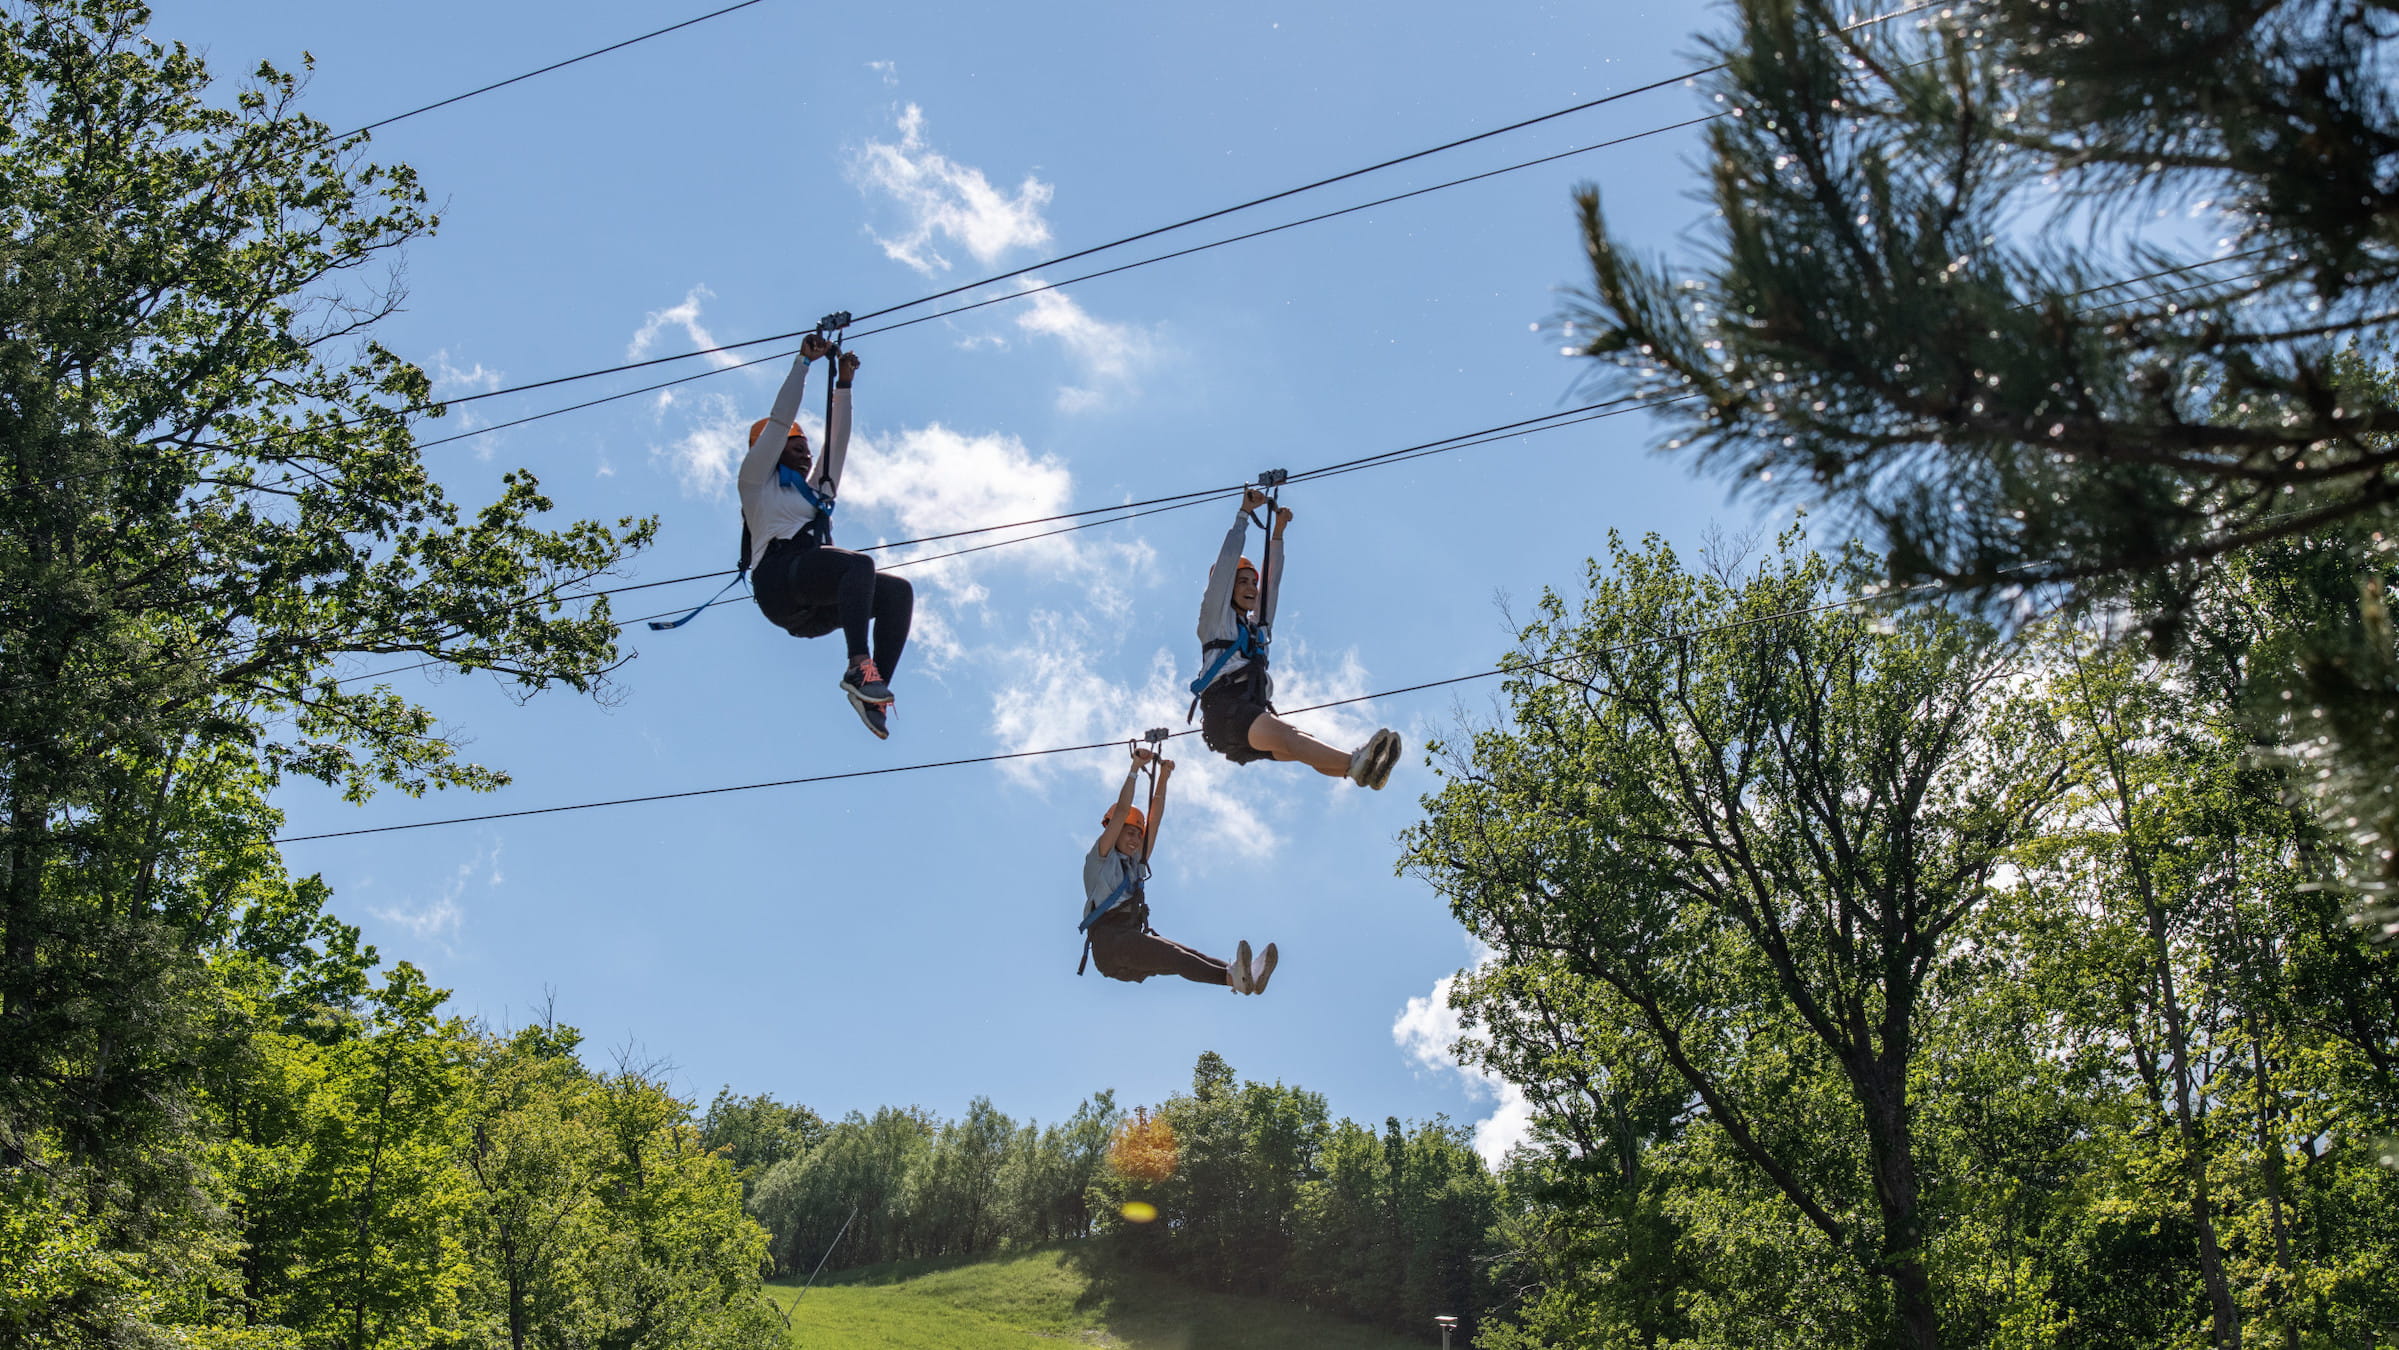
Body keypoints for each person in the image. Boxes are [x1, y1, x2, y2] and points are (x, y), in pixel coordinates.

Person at [739, 334, 912, 739]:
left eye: (806, 448)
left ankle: (871, 693)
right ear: (774, 452)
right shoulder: (756, 484)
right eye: (796, 448)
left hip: (812, 609)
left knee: (897, 592)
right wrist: (803, 364)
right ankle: (858, 664)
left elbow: (838, 442)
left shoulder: (818, 492)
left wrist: (844, 385)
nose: (806, 454)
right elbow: (779, 421)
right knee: (859, 565)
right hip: (779, 583)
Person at [1190, 488, 1399, 786]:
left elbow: (1271, 585)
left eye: (1253, 582)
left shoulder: (1257, 630)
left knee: (1301, 747)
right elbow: (1224, 568)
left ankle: (1361, 771)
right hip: (1226, 710)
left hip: (1248, 713)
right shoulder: (1214, 623)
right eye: (1242, 582)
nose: (1251, 588)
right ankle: (1357, 762)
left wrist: (1278, 534)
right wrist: (1243, 516)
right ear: (1227, 589)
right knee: (1292, 739)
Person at [1081, 746, 1274, 994]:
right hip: (1111, 945)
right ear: (1115, 831)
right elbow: (1121, 813)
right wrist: (1135, 769)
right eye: (1130, 833)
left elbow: (1155, 820)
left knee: (1188, 953)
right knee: (1174, 955)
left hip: (1127, 940)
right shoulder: (1100, 859)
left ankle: (1244, 976)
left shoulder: (1134, 863)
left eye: (1138, 835)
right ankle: (1234, 979)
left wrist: (1163, 777)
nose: (1135, 840)